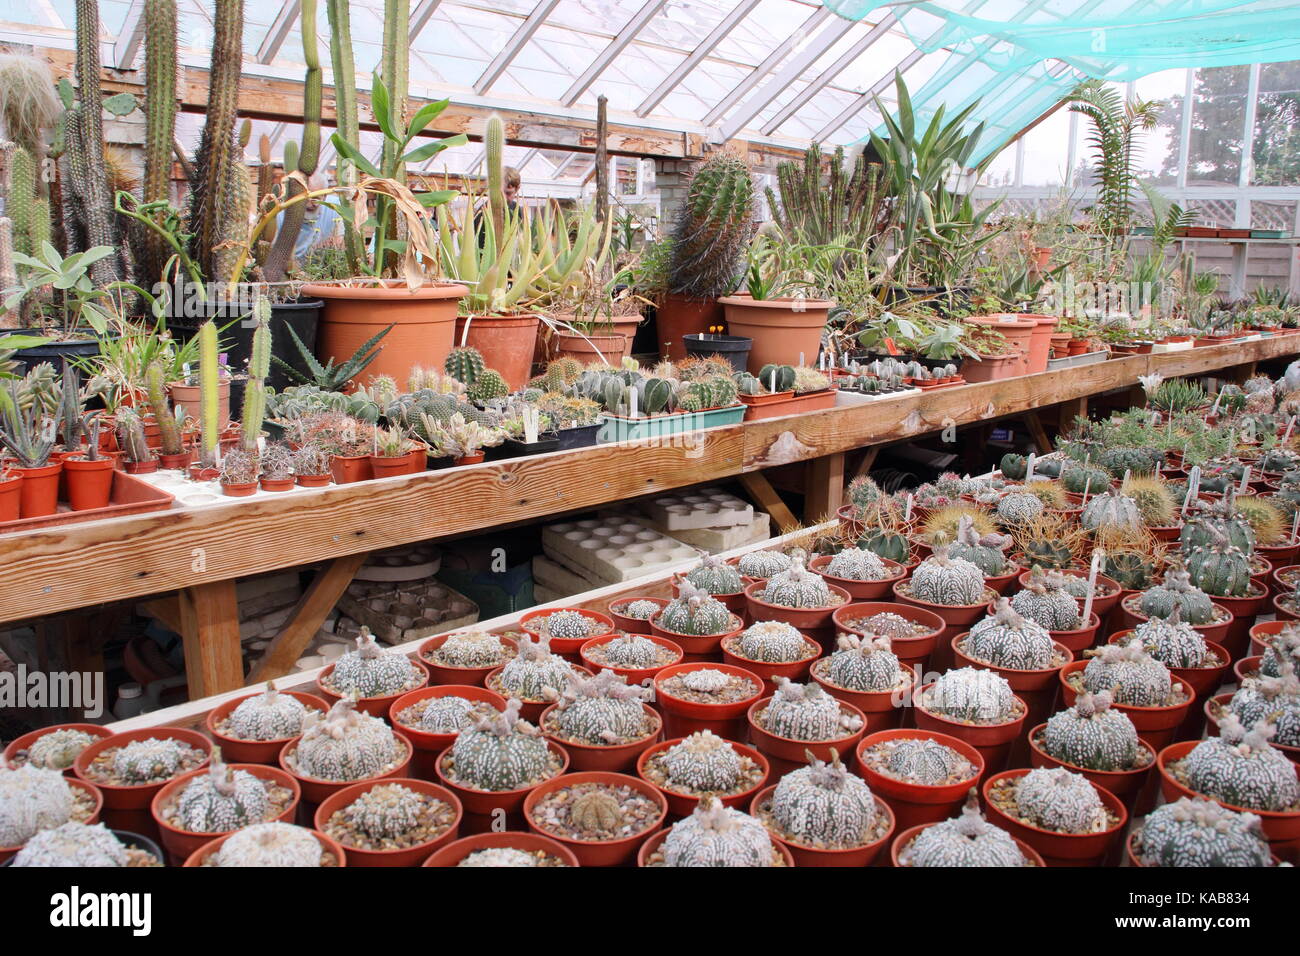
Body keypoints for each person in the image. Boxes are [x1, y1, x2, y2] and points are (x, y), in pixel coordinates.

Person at [275, 173, 339, 263]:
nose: (309, 204)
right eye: (305, 198)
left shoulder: (336, 208)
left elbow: (342, 246)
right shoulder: (282, 216)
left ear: (324, 197)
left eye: (315, 199)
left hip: (326, 268)